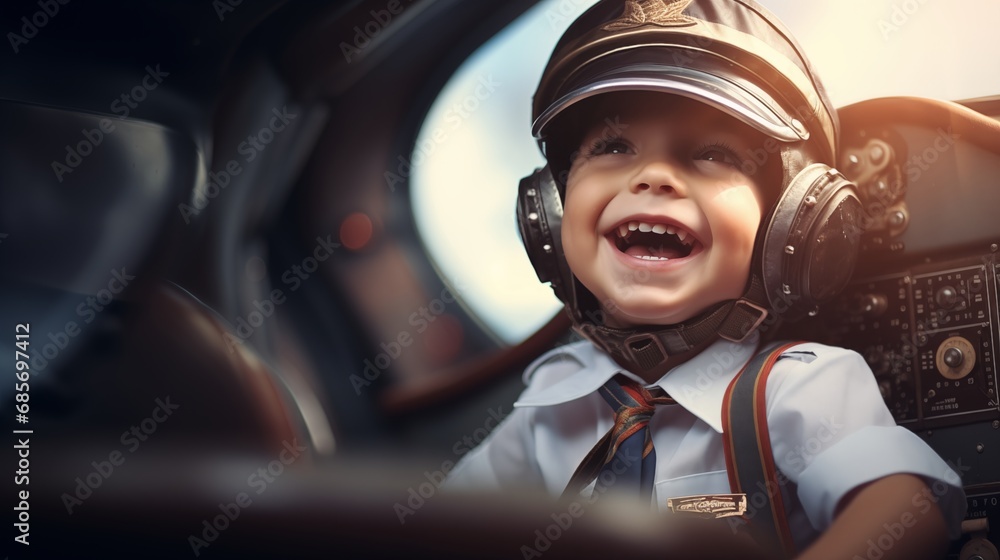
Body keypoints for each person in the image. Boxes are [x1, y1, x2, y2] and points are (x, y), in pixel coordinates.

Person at [445, 1, 967, 558]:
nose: (653, 176)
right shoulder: (551, 403)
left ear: (789, 225)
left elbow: (905, 509)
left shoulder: (796, 388)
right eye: (613, 147)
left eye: (713, 154)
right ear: (551, 209)